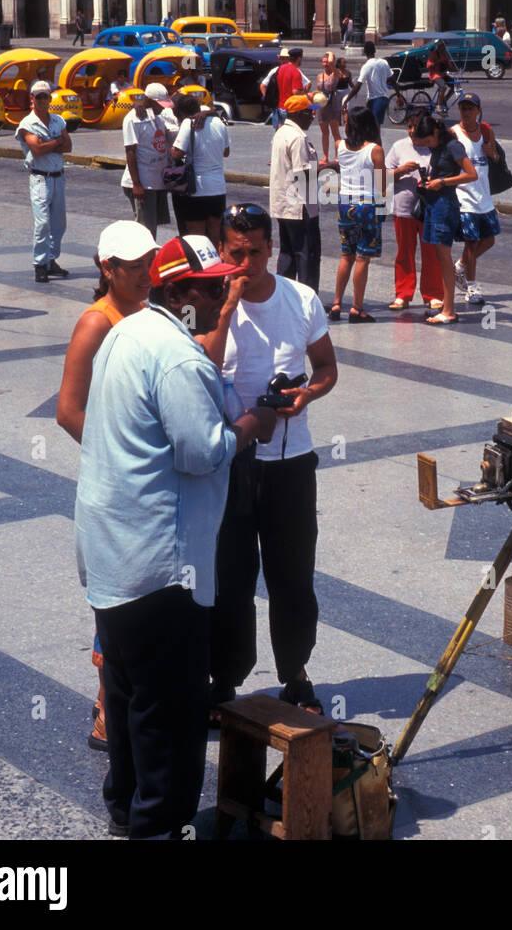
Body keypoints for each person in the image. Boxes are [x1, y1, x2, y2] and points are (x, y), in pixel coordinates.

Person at [75, 233, 277, 838]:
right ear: (181, 292)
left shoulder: (130, 331)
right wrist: (252, 422)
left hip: (112, 555)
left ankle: (126, 810)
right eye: (214, 285)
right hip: (163, 565)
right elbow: (202, 452)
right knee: (170, 709)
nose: (225, 293)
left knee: (131, 694)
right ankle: (159, 824)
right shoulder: (180, 356)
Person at [200, 203, 338, 718]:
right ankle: (224, 679)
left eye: (257, 251)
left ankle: (295, 673)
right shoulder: (206, 298)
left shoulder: (300, 299)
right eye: (237, 252)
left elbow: (325, 367)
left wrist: (308, 395)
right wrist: (228, 305)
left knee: (293, 575)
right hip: (230, 460)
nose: (248, 261)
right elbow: (199, 367)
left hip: (290, 461)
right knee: (229, 577)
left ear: (270, 248)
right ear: (222, 249)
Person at [57, 220, 159, 752]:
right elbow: (69, 410)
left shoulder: (150, 309)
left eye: (150, 263)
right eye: (134, 267)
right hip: (116, 489)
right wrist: (117, 461)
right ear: (108, 269)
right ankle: (106, 708)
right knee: (114, 599)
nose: (146, 274)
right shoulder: (96, 322)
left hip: (146, 487)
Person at [413, 113, 476, 325]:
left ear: (436, 132)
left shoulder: (453, 146)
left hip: (445, 203)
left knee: (444, 257)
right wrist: (431, 181)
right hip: (434, 201)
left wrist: (442, 182)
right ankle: (446, 305)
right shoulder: (437, 146)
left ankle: (449, 310)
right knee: (440, 257)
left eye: (428, 140)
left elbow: (471, 174)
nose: (427, 145)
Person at [327, 106, 386, 323]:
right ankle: (357, 307)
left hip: (345, 204)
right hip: (367, 205)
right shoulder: (375, 150)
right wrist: (383, 211)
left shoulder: (339, 146)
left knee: (346, 255)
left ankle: (336, 303)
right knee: (362, 259)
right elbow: (382, 185)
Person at [384, 108, 443, 311]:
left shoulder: (436, 147)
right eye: (408, 126)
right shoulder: (399, 147)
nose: (411, 131)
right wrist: (399, 172)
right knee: (404, 252)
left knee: (432, 253)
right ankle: (403, 293)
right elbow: (381, 177)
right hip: (404, 208)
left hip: (430, 208)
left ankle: (433, 294)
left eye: (415, 127)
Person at [15, 80, 72, 283]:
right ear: (32, 99)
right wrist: (56, 142)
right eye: (38, 97)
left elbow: (69, 146)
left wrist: (48, 143)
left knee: (59, 223)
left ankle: (50, 259)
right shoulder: (27, 124)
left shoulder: (58, 120)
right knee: (43, 223)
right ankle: (40, 263)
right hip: (40, 178)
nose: (41, 100)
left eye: (45, 96)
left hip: (58, 176)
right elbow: (37, 150)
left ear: (49, 98)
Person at [451, 94, 499, 307]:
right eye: (463, 108)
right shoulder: (453, 133)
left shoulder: (486, 131)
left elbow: (496, 157)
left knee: (489, 240)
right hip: (464, 196)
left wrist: (491, 153)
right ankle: (472, 288)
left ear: (478, 110)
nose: (466, 112)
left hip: (484, 195)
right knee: (471, 243)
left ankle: (460, 265)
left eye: (470, 108)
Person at [270, 94, 321, 293]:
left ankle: (284, 295)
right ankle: (308, 298)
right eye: (310, 113)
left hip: (283, 204)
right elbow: (302, 173)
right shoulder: (298, 137)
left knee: (287, 253)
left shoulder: (280, 133)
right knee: (306, 254)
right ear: (300, 114)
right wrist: (329, 168)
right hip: (300, 205)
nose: (313, 117)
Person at [120, 83, 178, 239]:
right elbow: (130, 152)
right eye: (159, 104)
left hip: (156, 181)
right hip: (143, 183)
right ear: (149, 100)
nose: (162, 108)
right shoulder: (133, 119)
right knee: (146, 230)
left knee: (153, 227)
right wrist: (137, 184)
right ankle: (145, 261)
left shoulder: (158, 115)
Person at [168, 98, 229, 245]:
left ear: (181, 112)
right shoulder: (219, 123)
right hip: (218, 188)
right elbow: (226, 152)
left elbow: (177, 154)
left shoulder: (188, 123)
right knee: (215, 236)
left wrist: (171, 147)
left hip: (197, 189)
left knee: (197, 239)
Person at [342, 40, 396, 127]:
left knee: (375, 130)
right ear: (375, 51)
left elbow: (358, 86)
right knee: (370, 128)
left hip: (377, 100)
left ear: (365, 52)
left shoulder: (367, 66)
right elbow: (392, 80)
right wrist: (398, 94)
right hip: (379, 99)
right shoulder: (384, 62)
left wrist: (346, 100)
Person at [314, 51, 343, 160]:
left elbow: (331, 62)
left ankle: (337, 157)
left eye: (326, 62)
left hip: (332, 105)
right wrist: (313, 107)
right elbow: (317, 91)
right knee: (324, 133)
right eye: (323, 62)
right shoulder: (319, 76)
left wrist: (330, 52)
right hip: (322, 106)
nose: (325, 64)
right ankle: (325, 157)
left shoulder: (336, 73)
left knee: (335, 132)